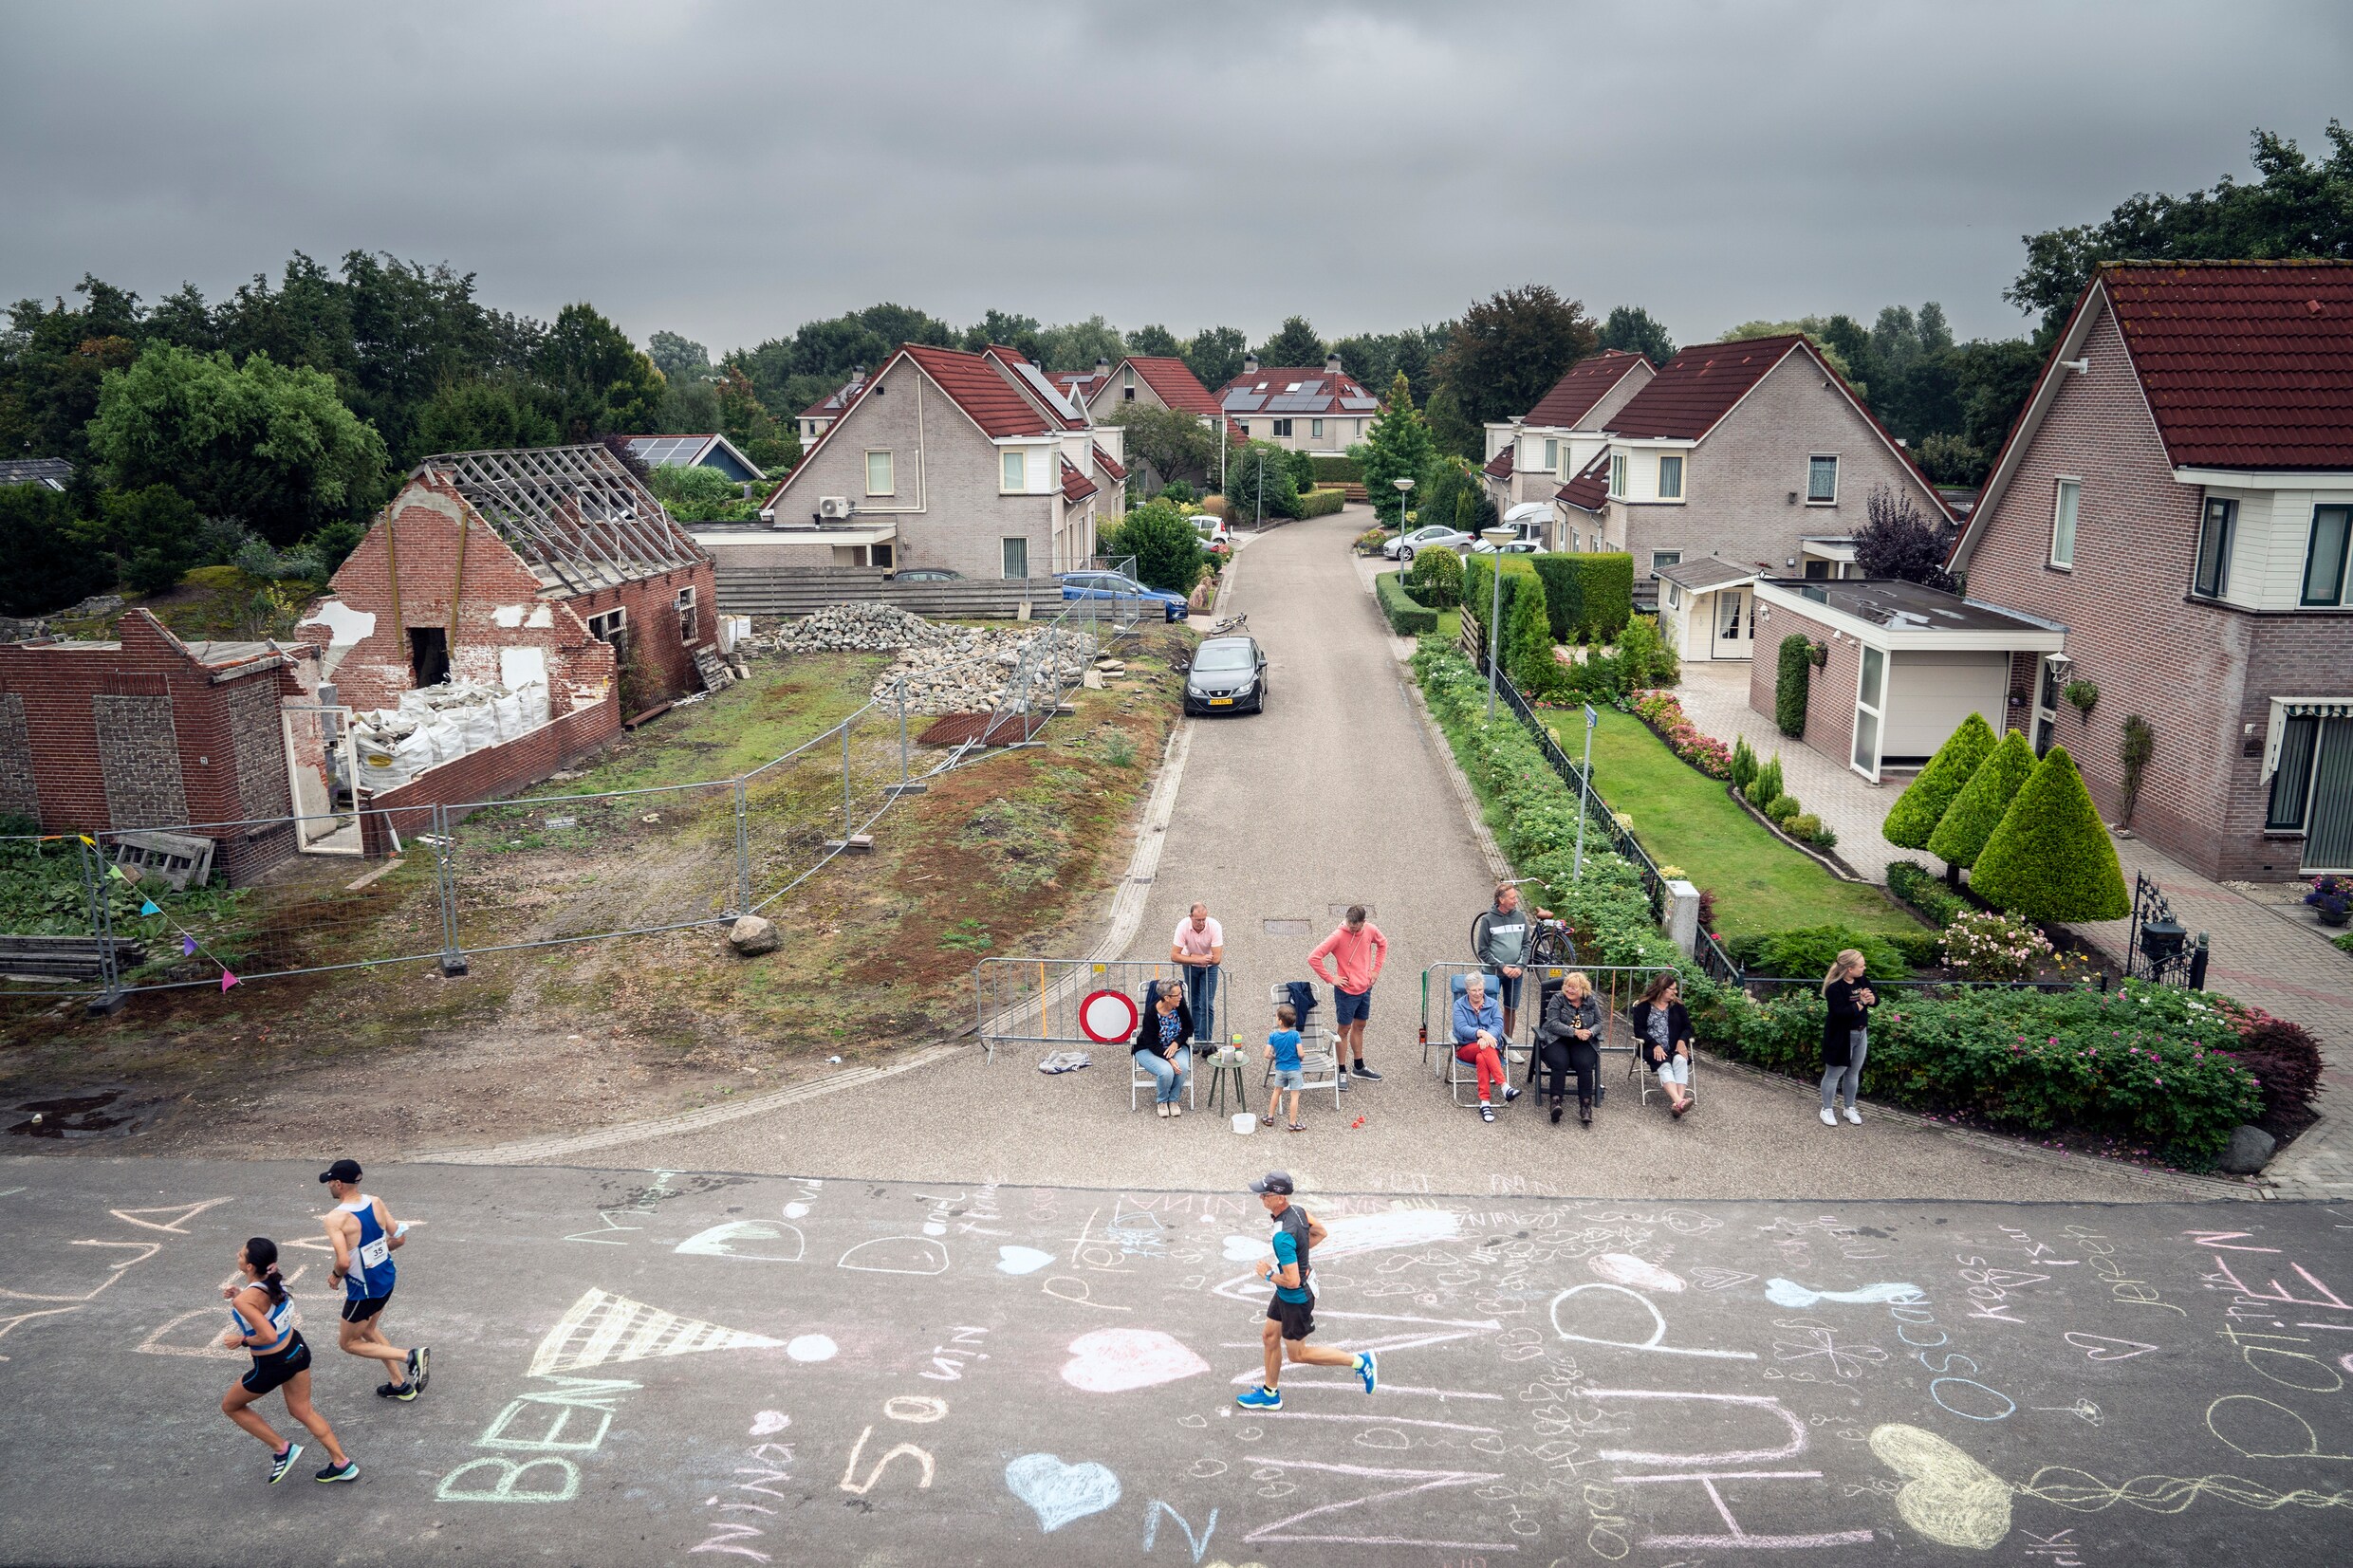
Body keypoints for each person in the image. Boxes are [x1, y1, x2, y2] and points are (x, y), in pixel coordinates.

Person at [218, 1236, 358, 1485]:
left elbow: (267, 1335)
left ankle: (282, 1449)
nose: (237, 1256)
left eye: (241, 1254)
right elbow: (265, 1308)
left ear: (250, 1266)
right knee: (303, 1410)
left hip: (273, 1364)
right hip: (298, 1350)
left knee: (231, 1406)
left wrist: (240, 1340)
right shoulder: (271, 1280)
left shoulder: (246, 1300)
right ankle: (342, 1463)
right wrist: (240, 1294)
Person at [1235, 1171, 1376, 1411]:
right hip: (1289, 1293)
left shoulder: (1282, 1236)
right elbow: (1320, 1232)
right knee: (1269, 1336)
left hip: (1295, 1297)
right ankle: (1270, 1394)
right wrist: (1300, 1252)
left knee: (1298, 1354)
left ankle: (1359, 1361)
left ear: (1280, 1198)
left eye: (1265, 1194)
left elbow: (1291, 1281)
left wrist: (1268, 1274)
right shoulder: (1298, 1211)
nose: (1261, 1198)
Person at [321, 1159, 425, 1399]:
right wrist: (376, 1252)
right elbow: (398, 1238)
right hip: (386, 1278)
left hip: (364, 1290)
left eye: (330, 1182)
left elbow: (344, 1262)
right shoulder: (375, 1202)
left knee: (348, 1344)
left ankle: (410, 1356)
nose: (329, 1187)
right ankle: (399, 1384)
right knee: (369, 1329)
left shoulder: (335, 1219)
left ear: (338, 1184)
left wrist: (335, 1276)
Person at [1307, 905, 1387, 1080]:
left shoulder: (1370, 930)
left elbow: (1383, 944)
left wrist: (1375, 970)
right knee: (1343, 1030)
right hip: (1346, 992)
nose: (1351, 928)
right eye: (1349, 925)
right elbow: (1313, 957)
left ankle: (1358, 1067)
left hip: (1365, 989)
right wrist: (1331, 978)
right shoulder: (1338, 935)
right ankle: (1341, 1071)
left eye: (1354, 927)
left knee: (1360, 1026)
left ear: (1363, 923)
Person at [1473, 881, 1553, 1040]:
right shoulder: (1488, 920)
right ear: (1501, 900)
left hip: (1516, 973)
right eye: (1512, 898)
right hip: (1492, 973)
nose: (1516, 900)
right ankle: (1487, 1042)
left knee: (1511, 1008)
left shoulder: (1520, 917)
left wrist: (1520, 966)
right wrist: (1502, 967)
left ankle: (1506, 1042)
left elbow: (1527, 944)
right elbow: (1483, 950)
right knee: (1487, 1008)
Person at [1537, 970, 1604, 1126]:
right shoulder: (1557, 999)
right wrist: (1575, 1032)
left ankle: (1585, 1106)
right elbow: (1552, 1023)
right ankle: (1555, 1102)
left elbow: (1599, 1023)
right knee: (1560, 1062)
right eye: (1567, 986)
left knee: (1585, 1064)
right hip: (1557, 1038)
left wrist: (1591, 1032)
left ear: (1583, 989)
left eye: (1573, 987)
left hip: (1582, 1041)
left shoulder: (1590, 1000)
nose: (1568, 989)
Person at [1821, 949, 1877, 1127]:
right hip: (1841, 1036)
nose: (1864, 968)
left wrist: (1871, 998)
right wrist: (1861, 1002)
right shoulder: (1835, 988)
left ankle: (1849, 1107)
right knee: (1834, 1073)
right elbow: (1841, 1013)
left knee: (1853, 1073)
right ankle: (1827, 1109)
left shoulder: (1861, 980)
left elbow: (1876, 1000)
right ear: (1850, 969)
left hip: (1861, 1034)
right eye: (1861, 966)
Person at [1452, 971, 1518, 1123]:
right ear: (1467, 990)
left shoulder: (1493, 1004)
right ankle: (1504, 1086)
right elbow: (1461, 1028)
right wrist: (1482, 1033)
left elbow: (1498, 1024)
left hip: (1487, 1047)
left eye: (1480, 989)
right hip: (1466, 1047)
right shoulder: (1459, 1005)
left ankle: (1485, 1103)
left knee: (1483, 1057)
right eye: (1474, 990)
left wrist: (1487, 1038)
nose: (1477, 993)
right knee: (1485, 1049)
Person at [1631, 972, 1696, 1118]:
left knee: (1681, 1060)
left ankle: (1678, 1104)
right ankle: (1680, 1101)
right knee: (1665, 1065)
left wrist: (1682, 1041)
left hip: (1674, 1047)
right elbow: (1638, 1030)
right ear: (1662, 989)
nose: (1676, 992)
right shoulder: (1643, 1006)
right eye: (1672, 989)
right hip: (1651, 1047)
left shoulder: (1677, 1006)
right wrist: (1654, 1044)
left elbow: (1688, 1027)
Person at [1132, 979, 1195, 1118]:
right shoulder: (1151, 1013)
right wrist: (1169, 1059)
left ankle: (1173, 1100)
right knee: (1166, 1070)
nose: (1181, 997)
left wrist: (1176, 1043)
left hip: (1175, 1046)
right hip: (1150, 1048)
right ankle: (1162, 1101)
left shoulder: (1180, 1005)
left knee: (1183, 1067)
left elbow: (1189, 1027)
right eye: (1177, 994)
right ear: (1167, 998)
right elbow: (1151, 1042)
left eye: (1181, 993)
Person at [1171, 903, 1224, 1048]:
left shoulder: (1214, 926)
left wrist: (1193, 956)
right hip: (1191, 967)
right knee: (1194, 1002)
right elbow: (1174, 955)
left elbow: (1217, 958)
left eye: (1203, 919)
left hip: (1210, 968)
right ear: (1190, 917)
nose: (1201, 923)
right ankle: (1195, 1039)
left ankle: (1206, 1041)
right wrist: (1196, 959)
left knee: (1207, 1004)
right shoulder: (1183, 926)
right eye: (1198, 920)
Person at [1262, 1003, 1307, 1133]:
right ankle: (1292, 1123)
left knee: (1277, 1091)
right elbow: (1301, 1053)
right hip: (1294, 1069)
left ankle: (1270, 1117)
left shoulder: (1273, 1036)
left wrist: (1274, 1058)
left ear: (1280, 1021)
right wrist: (1302, 1058)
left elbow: (1266, 1054)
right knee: (1294, 1095)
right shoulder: (1295, 1035)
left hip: (1281, 1069)